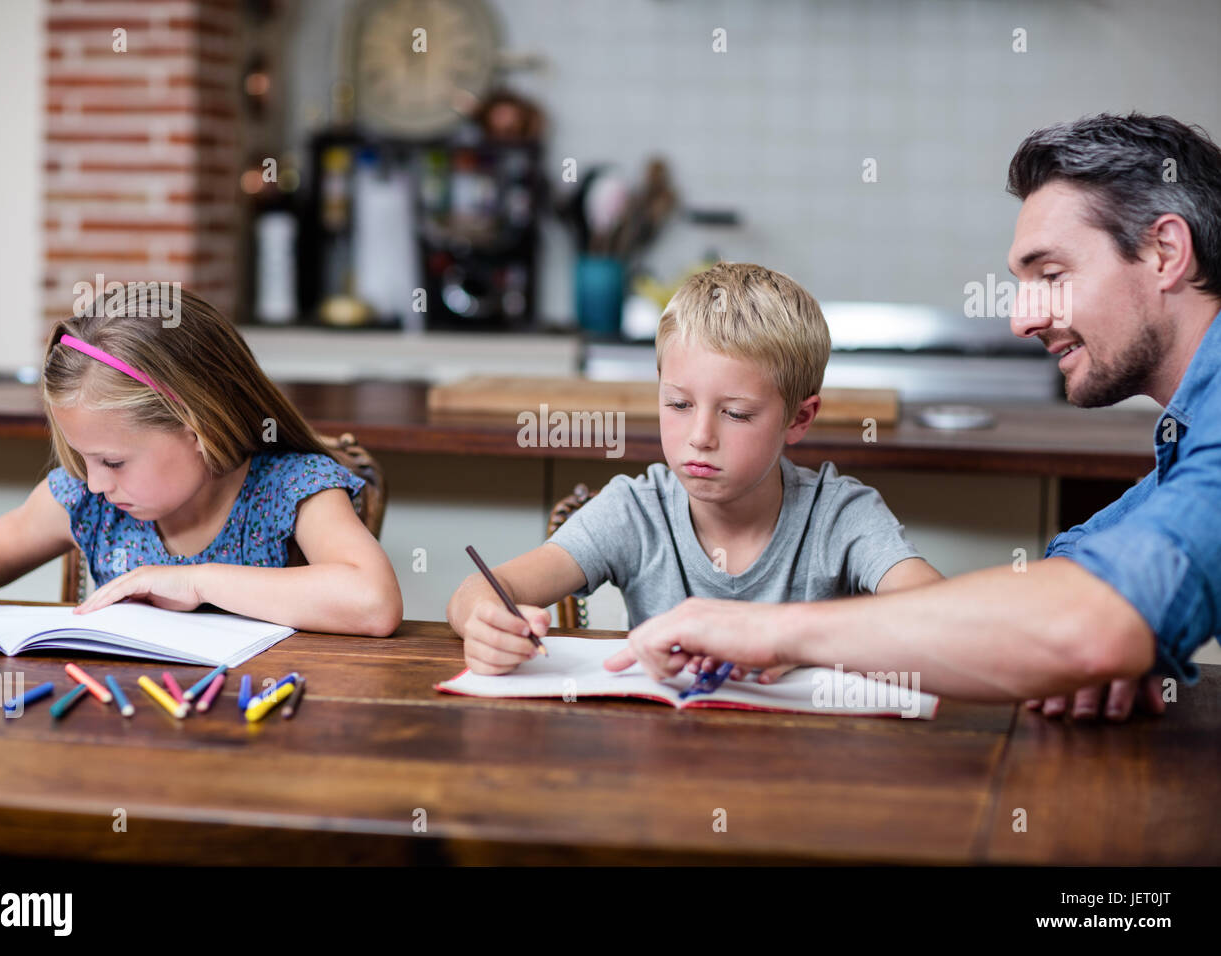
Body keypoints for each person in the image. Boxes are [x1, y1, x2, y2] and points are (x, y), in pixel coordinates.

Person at [606, 113, 1221, 721]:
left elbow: (1087, 626)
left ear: (1165, 251)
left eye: (1052, 275)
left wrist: (774, 631)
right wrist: (1061, 633)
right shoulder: (1194, 429)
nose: (1022, 319)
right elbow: (1075, 586)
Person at [447, 261, 941, 675]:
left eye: (737, 414)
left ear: (799, 418)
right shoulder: (637, 511)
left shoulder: (839, 515)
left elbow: (940, 615)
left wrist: (797, 642)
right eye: (679, 405)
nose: (700, 437)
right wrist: (486, 622)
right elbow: (482, 591)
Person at [0, 286, 403, 636]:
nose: (93, 484)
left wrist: (195, 581)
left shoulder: (291, 488)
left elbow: (373, 602)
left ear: (199, 430)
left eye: (112, 461)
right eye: (85, 460)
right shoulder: (85, 498)